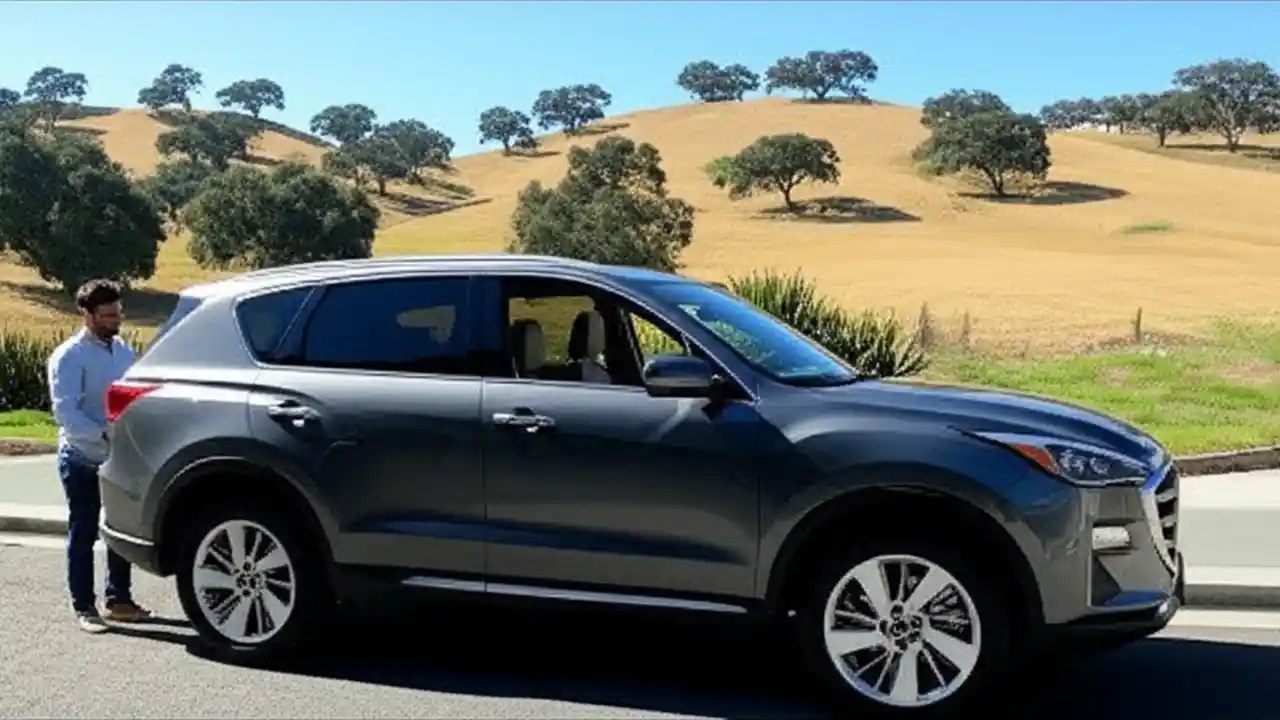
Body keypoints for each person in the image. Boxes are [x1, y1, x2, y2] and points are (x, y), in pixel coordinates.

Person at [47, 278, 152, 633]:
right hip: (81, 457)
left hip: (119, 457)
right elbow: (67, 413)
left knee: (119, 527)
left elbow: (132, 395)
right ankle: (84, 607)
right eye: (107, 315)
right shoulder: (70, 357)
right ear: (88, 315)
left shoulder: (123, 351)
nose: (114, 320)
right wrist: (103, 433)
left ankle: (118, 600)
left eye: (117, 313)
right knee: (84, 529)